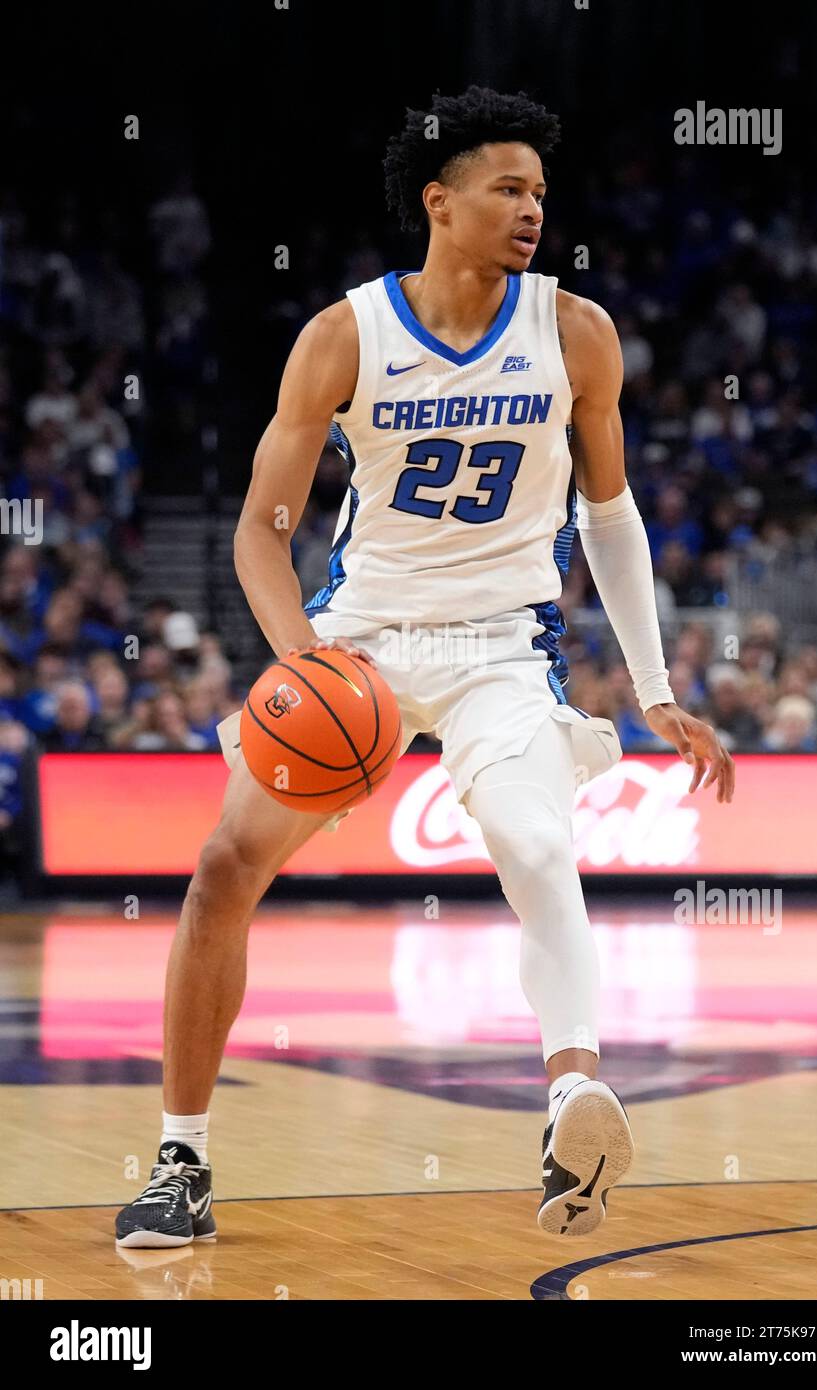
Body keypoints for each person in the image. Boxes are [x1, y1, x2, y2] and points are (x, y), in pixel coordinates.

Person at [116, 86, 735, 1248]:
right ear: (437, 201)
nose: (531, 210)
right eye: (507, 188)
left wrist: (653, 687)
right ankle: (181, 1160)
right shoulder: (346, 336)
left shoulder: (577, 331)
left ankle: (571, 1103)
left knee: (538, 844)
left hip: (503, 644)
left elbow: (610, 514)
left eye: (540, 193)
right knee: (216, 875)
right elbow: (262, 525)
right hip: (365, 641)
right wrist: (304, 661)